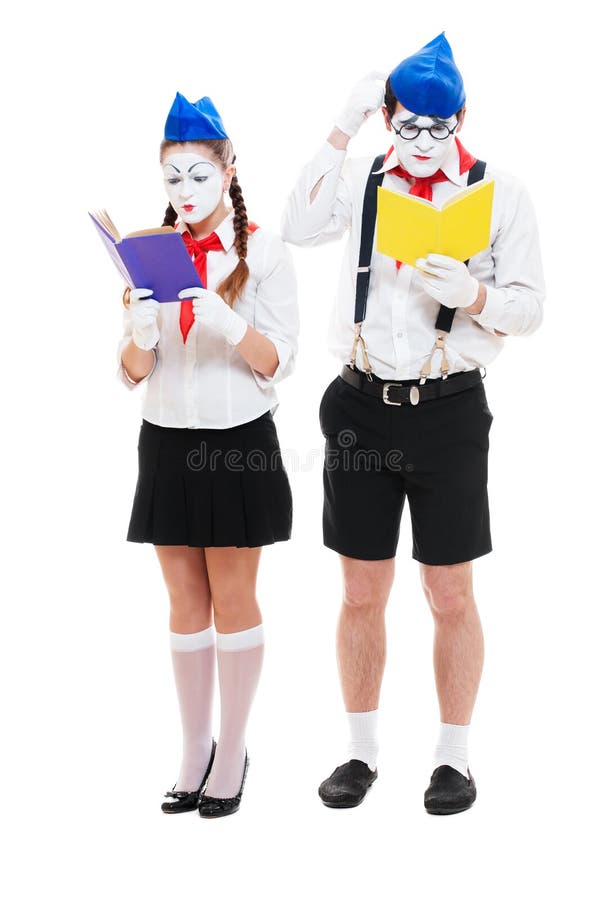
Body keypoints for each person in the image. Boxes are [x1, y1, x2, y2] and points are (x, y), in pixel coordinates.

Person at [282, 33, 544, 814]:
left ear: (460, 117)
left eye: (438, 126)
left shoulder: (499, 192)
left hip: (449, 410)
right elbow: (296, 226)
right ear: (386, 116)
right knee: (361, 589)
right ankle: (360, 752)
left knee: (450, 592)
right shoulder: (362, 178)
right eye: (406, 125)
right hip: (359, 402)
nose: (422, 142)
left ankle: (454, 759)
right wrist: (341, 126)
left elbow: (529, 308)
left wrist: (474, 297)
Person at [117, 92, 299, 818]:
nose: (185, 192)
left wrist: (227, 320)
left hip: (235, 445)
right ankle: (192, 747)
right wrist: (139, 333)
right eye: (172, 178)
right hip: (164, 437)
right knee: (183, 601)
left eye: (198, 175)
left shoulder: (267, 250)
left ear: (229, 171)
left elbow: (278, 361)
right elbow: (131, 374)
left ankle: (232, 746)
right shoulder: (148, 252)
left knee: (232, 597)